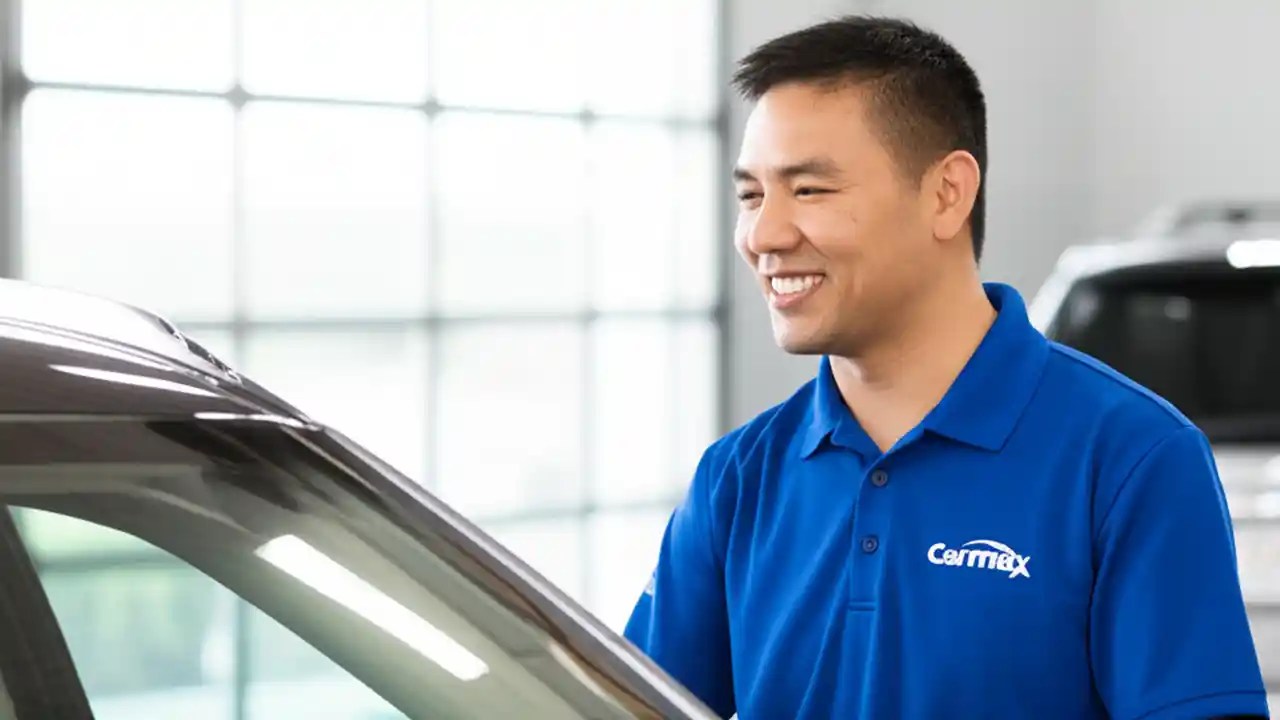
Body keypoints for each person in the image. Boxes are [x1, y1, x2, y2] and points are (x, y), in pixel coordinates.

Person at [624, 15, 1268, 720]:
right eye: (751, 195)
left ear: (946, 194)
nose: (763, 234)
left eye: (809, 190)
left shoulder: (1129, 459)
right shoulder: (737, 479)